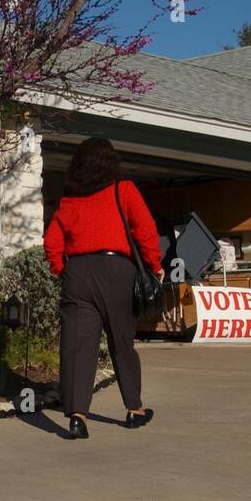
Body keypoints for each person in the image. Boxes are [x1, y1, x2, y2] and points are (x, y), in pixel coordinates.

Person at [43, 137, 163, 439]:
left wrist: (61, 269)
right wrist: (154, 266)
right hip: (117, 271)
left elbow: (52, 242)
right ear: (111, 164)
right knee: (121, 341)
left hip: (79, 273)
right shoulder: (124, 191)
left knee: (77, 346)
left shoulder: (69, 202)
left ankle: (77, 416)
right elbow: (146, 231)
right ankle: (134, 409)